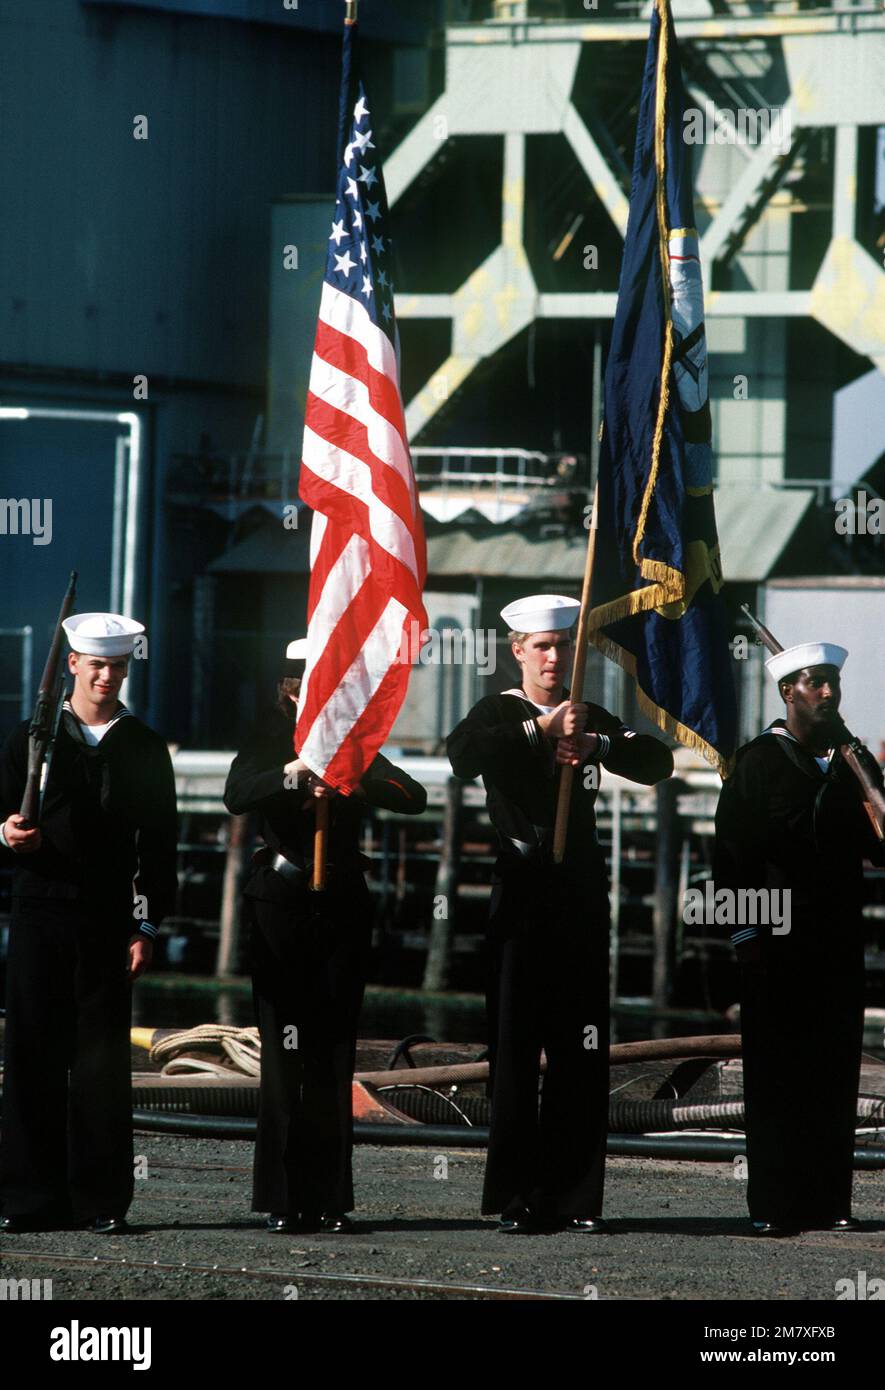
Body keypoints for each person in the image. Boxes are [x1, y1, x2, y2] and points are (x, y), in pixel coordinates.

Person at [446, 594, 673, 1233]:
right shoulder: (497, 711)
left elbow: (657, 762)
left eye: (563, 646)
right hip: (520, 890)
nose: (554, 658)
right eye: (542, 646)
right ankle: (518, 1197)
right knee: (516, 1048)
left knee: (581, 1046)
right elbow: (464, 755)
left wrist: (596, 745)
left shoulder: (589, 714)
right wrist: (539, 732)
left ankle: (574, 1196)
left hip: (577, 892)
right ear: (518, 651)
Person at [224, 640, 427, 1234]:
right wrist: (293, 779)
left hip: (339, 903)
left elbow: (411, 797)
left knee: (332, 1054)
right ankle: (286, 1198)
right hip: (283, 902)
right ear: (291, 689)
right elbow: (239, 792)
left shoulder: (353, 739)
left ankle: (330, 1197)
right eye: (312, 685)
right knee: (286, 1054)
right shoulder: (269, 736)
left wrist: (355, 782)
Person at [0, 613, 178, 1234]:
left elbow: (160, 848)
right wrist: (6, 833)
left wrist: (145, 926)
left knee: (101, 1063)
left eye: (118, 666)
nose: (107, 676)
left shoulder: (144, 745)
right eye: (97, 664)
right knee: (31, 1055)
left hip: (108, 917)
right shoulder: (33, 737)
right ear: (72, 664)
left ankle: (101, 1201)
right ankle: (28, 1199)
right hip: (40, 910)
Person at [714, 640, 885, 1237]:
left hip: (836, 938)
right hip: (776, 939)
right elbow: (732, 857)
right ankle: (774, 1204)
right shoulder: (757, 762)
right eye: (815, 683)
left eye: (832, 681)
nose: (828, 692)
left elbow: (878, 845)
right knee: (777, 1072)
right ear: (789, 693)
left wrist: (869, 780)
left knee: (832, 1070)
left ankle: (828, 1201)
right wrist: (747, 937)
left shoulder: (846, 762)